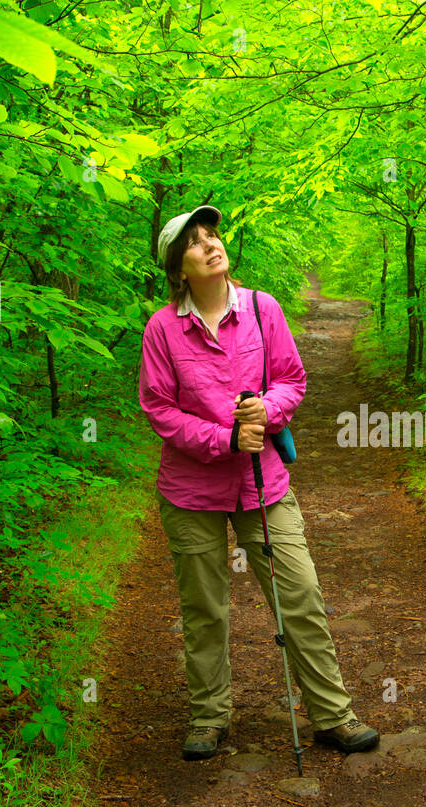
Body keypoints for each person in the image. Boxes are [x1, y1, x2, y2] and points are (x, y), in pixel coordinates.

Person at [138, 204, 379, 761]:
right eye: (195, 244)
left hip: (261, 483)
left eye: (212, 235)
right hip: (191, 490)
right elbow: (159, 409)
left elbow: (292, 380)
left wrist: (265, 412)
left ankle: (332, 716)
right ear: (179, 271)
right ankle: (208, 716)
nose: (210, 245)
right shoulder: (161, 328)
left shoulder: (262, 308)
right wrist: (223, 439)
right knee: (205, 607)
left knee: (299, 595)